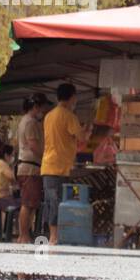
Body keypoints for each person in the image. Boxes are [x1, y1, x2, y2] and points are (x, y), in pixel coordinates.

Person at [41, 83, 87, 246]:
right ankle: (54, 238)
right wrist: (87, 130)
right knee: (57, 202)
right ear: (72, 97)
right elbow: (82, 138)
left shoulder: (49, 116)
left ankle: (51, 236)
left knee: (50, 202)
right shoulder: (69, 116)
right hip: (60, 166)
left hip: (47, 165)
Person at [15, 93, 47, 243]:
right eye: (42, 107)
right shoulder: (31, 123)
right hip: (30, 169)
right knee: (27, 204)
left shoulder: (25, 121)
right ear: (36, 107)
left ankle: (25, 234)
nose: (44, 111)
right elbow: (33, 145)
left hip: (27, 168)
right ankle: (23, 236)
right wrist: (46, 158)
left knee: (31, 203)